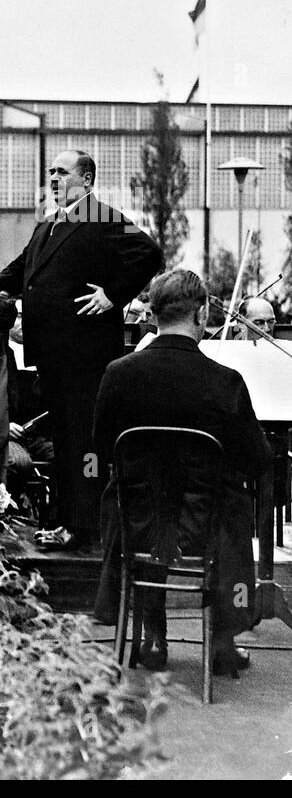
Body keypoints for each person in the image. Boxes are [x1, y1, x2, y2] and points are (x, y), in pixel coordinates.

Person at [91, 270, 276, 675]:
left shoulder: (118, 374)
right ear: (202, 313)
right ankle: (222, 641)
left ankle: (152, 634)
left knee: (129, 492)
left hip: (137, 525)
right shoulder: (225, 382)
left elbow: (102, 448)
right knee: (233, 500)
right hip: (203, 530)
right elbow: (258, 460)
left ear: (153, 315)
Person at [0, 149, 163, 551]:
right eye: (50, 171)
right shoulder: (48, 225)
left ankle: (82, 528)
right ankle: (67, 520)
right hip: (52, 355)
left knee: (81, 441)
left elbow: (149, 253)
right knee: (65, 440)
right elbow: (21, 269)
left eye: (62, 172)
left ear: (86, 181)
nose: (54, 178)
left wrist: (113, 295)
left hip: (84, 356)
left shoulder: (101, 217)